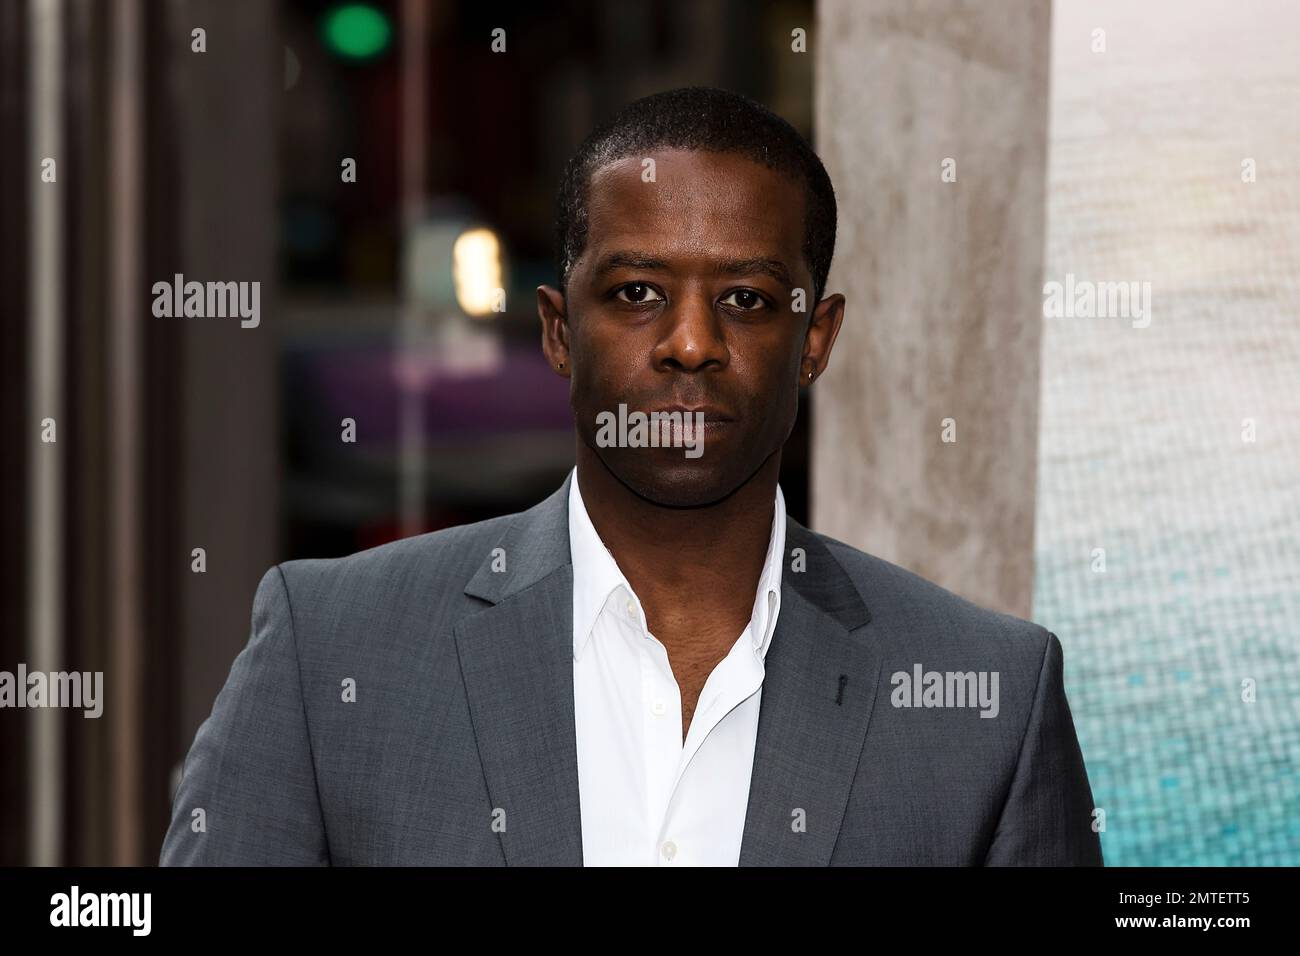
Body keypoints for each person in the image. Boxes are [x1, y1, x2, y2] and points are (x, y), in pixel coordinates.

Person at [160, 86, 1102, 867]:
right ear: (559, 330)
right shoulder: (332, 653)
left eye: (746, 298)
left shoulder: (988, 699)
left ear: (815, 340)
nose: (691, 343)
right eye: (637, 293)